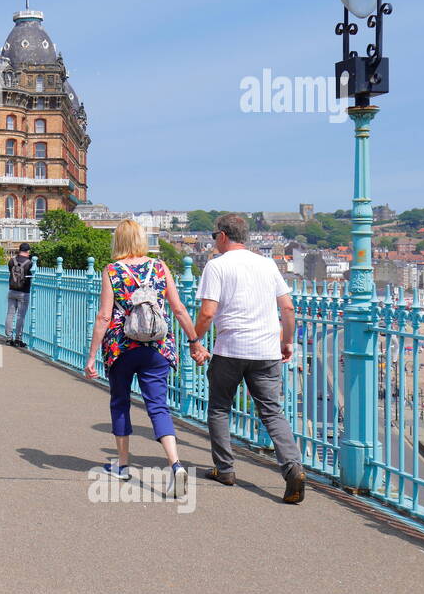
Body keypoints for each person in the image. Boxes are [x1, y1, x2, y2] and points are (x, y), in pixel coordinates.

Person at [192, 213, 306, 503]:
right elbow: (288, 309)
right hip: (266, 351)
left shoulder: (217, 266)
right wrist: (287, 341)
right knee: (271, 411)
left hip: (230, 349)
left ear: (222, 236)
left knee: (219, 408)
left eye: (213, 236)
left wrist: (195, 340)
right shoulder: (267, 264)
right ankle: (292, 467)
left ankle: (225, 469)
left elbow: (207, 313)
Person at [84, 220, 197, 497]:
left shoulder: (111, 270)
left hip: (121, 348)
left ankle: (122, 465)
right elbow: (178, 308)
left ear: (118, 241)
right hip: (157, 347)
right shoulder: (159, 266)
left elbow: (104, 316)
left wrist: (91, 356)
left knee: (120, 402)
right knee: (158, 406)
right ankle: (176, 465)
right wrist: (194, 340)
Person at [5, 243, 34, 347]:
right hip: (23, 292)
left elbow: (10, 271)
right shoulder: (29, 263)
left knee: (10, 314)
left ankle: (9, 338)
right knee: (20, 316)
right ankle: (18, 339)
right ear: (28, 251)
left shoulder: (12, 261)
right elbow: (31, 275)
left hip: (12, 290)